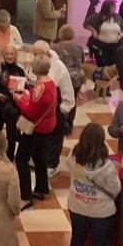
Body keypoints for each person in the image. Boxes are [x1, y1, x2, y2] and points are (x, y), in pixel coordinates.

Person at [66, 123, 120, 246]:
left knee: (77, 241)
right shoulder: (106, 165)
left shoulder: (74, 156)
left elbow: (69, 167)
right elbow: (116, 189)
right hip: (101, 211)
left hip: (77, 205)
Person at [15, 55, 58, 208]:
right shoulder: (51, 83)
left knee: (21, 159)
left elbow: (30, 111)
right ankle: (41, 188)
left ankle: (26, 197)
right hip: (48, 126)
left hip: (36, 128)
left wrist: (18, 99)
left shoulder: (39, 87)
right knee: (39, 157)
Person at [29, 40, 75, 173]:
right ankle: (39, 161)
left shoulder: (59, 67)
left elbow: (68, 93)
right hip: (40, 108)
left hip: (56, 108)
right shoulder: (36, 63)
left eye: (39, 54)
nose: (36, 57)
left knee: (54, 138)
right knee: (40, 138)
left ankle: (52, 165)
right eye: (34, 54)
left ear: (47, 53)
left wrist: (62, 111)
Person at [0, 45, 27, 159]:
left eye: (12, 54)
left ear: (16, 55)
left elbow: (21, 91)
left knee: (11, 135)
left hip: (13, 107)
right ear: (3, 55)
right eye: (7, 54)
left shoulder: (20, 71)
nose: (9, 56)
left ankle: (9, 158)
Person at [86, 0, 123, 68]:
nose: (114, 8)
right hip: (102, 47)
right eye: (113, 7)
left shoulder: (117, 17)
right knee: (103, 66)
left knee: (114, 67)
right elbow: (86, 24)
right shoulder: (98, 16)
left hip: (115, 46)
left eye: (115, 6)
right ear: (107, 7)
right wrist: (94, 30)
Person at [54, 24, 86, 88]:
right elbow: (82, 61)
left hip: (62, 78)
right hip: (78, 78)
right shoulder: (79, 47)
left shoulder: (55, 48)